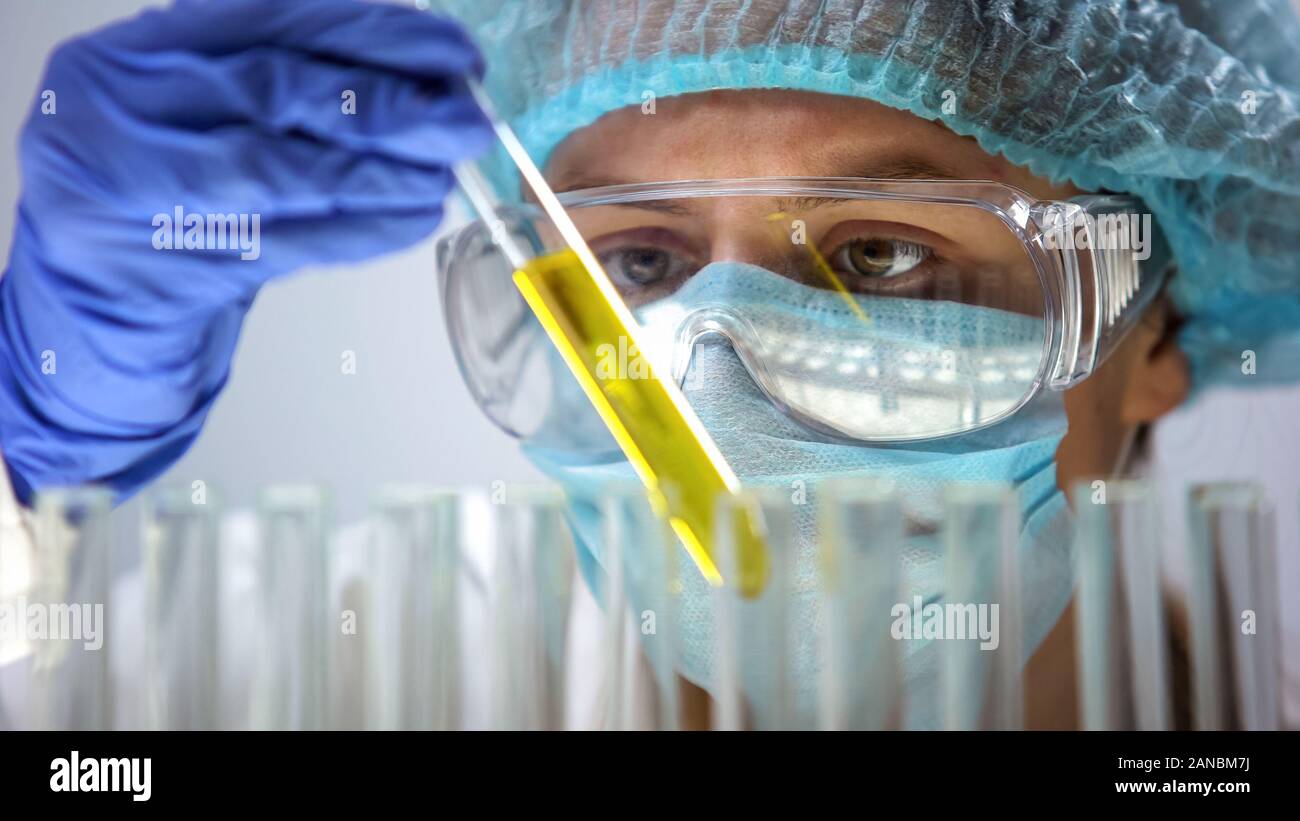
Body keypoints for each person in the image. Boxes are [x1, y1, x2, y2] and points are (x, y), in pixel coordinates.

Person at [1, 0, 1297, 728]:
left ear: (1155, 335)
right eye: (641, 265)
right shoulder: (328, 685)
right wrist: (23, 468)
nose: (718, 377)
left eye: (885, 254)